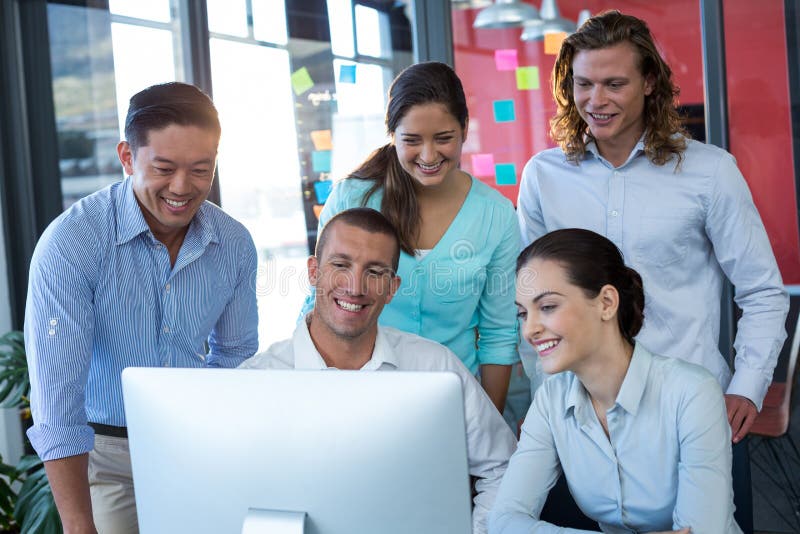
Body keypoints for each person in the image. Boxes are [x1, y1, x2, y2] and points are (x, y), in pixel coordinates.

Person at [518, 8, 787, 495]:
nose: (595, 101)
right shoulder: (542, 176)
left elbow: (763, 291)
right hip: (583, 416)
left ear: (649, 83)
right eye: (583, 84)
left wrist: (747, 385)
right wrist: (547, 400)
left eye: (614, 84)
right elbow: (530, 304)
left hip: (690, 411)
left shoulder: (710, 172)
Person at [25, 82, 259, 534]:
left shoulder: (233, 243)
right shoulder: (72, 244)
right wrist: (78, 526)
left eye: (200, 170)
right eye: (165, 168)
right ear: (128, 158)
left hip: (196, 446)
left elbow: (235, 357)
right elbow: (58, 402)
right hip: (105, 454)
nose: (182, 187)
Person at [246, 208, 516, 534]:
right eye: (341, 265)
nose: (355, 286)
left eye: (374, 272)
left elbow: (504, 467)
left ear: (391, 288)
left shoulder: (435, 369)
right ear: (314, 271)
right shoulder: (256, 380)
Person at [489, 228, 742, 534]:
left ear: (607, 302)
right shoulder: (550, 400)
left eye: (547, 307)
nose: (530, 330)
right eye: (522, 314)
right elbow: (504, 522)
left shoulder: (691, 392)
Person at [306, 62, 520, 413]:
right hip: (358, 399)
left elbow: (499, 336)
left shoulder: (496, 216)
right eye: (412, 140)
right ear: (392, 135)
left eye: (444, 138)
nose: (429, 156)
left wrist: (487, 430)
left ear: (465, 129)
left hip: (455, 404)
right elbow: (316, 307)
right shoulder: (351, 198)